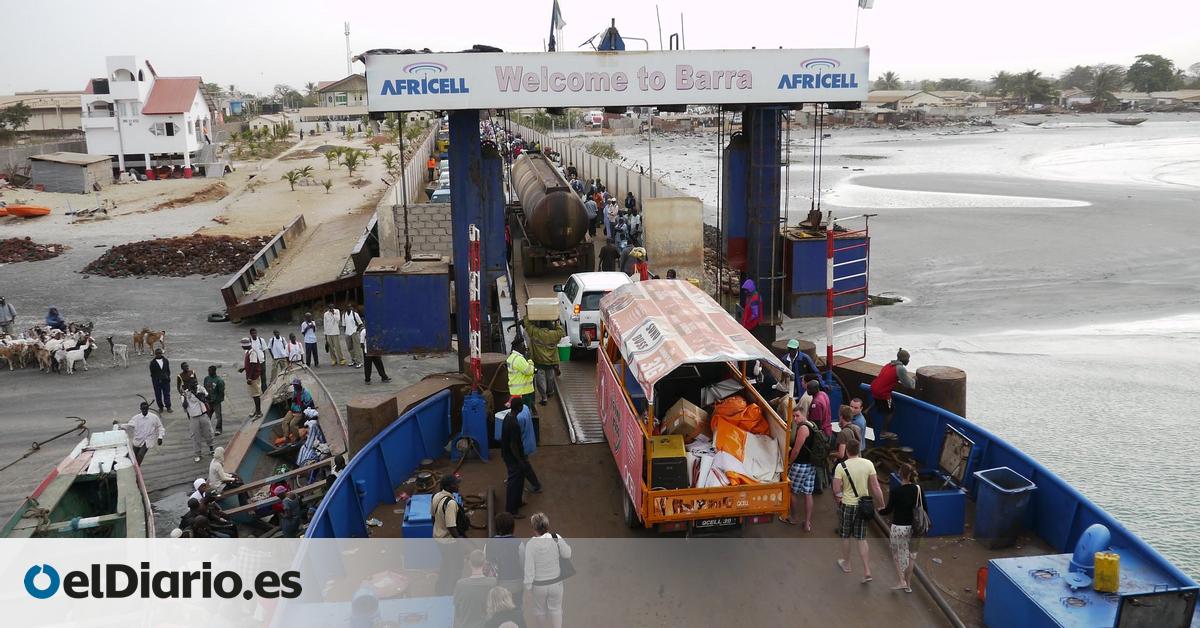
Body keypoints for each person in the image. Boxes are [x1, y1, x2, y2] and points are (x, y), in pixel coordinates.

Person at [833, 439, 885, 583]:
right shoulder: (868, 464)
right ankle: (867, 570)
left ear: (847, 451)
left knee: (845, 536)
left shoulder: (841, 467)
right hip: (863, 506)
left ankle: (847, 564)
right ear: (859, 450)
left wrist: (840, 499)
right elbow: (876, 487)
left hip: (848, 505)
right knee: (861, 538)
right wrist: (882, 504)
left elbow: (836, 489)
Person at [879, 463, 928, 592]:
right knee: (911, 557)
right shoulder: (918, 489)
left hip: (899, 528)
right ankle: (908, 585)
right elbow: (925, 509)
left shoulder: (896, 491)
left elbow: (888, 510)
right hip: (915, 529)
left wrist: (879, 510)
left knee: (897, 555)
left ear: (900, 474)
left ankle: (902, 581)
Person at [524, 513, 571, 628]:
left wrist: (528, 587)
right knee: (556, 609)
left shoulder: (530, 545)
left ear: (534, 527)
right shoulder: (556, 538)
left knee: (539, 610)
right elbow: (567, 554)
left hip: (539, 586)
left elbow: (529, 569)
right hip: (556, 583)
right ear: (547, 525)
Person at [781, 410, 817, 531]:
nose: (795, 419)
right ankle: (807, 523)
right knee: (808, 493)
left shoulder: (803, 428)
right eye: (793, 416)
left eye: (797, 416)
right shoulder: (812, 425)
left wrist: (789, 463)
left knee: (792, 492)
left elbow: (796, 450)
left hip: (800, 465)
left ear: (804, 415)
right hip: (811, 465)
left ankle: (793, 518)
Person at [870, 348, 916, 441]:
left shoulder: (889, 365)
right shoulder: (900, 368)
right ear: (903, 359)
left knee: (881, 404)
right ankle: (883, 432)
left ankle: (868, 411)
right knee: (891, 410)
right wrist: (914, 380)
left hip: (874, 388)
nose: (908, 360)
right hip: (883, 393)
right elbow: (909, 385)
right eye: (908, 358)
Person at [434, 476, 468, 596]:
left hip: (438, 538)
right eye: (455, 484)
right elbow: (451, 527)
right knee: (457, 565)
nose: (458, 485)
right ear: (449, 486)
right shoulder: (451, 504)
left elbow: (433, 516)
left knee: (446, 563)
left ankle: (440, 588)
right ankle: (452, 590)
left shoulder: (436, 496)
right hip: (449, 541)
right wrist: (461, 542)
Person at [485, 513, 524, 609]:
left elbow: (486, 564)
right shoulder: (519, 543)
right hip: (516, 585)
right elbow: (523, 564)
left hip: (497, 585)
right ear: (512, 527)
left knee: (498, 610)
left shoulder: (489, 543)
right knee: (516, 609)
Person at [453, 550, 498, 628]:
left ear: (469, 563)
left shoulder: (460, 584)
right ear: (484, 563)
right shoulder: (493, 582)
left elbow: (457, 606)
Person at [524, 319, 564, 407]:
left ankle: (544, 397)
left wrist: (527, 315)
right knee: (550, 377)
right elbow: (561, 331)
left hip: (539, 360)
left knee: (540, 379)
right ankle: (550, 392)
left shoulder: (535, 332)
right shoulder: (554, 334)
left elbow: (528, 325)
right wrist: (557, 322)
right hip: (551, 361)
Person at [500, 400, 529, 518]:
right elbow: (513, 445)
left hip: (508, 454)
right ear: (519, 408)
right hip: (512, 457)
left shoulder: (508, 417)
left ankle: (517, 502)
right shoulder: (514, 424)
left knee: (520, 479)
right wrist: (519, 460)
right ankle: (511, 510)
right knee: (514, 482)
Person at [511, 396, 542, 493]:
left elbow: (516, 435)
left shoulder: (519, 418)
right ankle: (513, 479)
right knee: (518, 464)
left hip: (523, 445)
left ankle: (536, 485)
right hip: (529, 440)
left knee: (524, 464)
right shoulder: (525, 407)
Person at [182, 382, 214, 463]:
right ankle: (197, 454)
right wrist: (185, 397)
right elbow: (185, 406)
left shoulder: (200, 388)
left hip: (203, 415)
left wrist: (199, 394)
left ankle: (211, 448)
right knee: (195, 436)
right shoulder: (185, 394)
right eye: (192, 385)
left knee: (208, 432)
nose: (195, 386)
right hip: (194, 418)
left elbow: (207, 396)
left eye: (195, 384)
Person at [237, 338, 264, 419]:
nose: (242, 347)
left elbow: (253, 366)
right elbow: (250, 364)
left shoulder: (252, 353)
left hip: (253, 377)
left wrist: (250, 378)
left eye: (242, 346)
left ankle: (259, 412)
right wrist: (244, 368)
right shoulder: (248, 352)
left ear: (245, 345)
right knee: (253, 394)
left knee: (256, 395)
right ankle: (256, 410)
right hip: (252, 376)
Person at [282, 378, 315, 443]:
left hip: (299, 412)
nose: (295, 386)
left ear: (299, 385)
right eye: (294, 385)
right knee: (285, 422)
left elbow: (309, 403)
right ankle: (286, 437)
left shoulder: (306, 393)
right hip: (292, 410)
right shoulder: (295, 392)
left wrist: (303, 408)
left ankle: (297, 437)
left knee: (292, 424)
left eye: (296, 385)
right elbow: (293, 401)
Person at [505, 342, 536, 410]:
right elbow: (529, 371)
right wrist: (530, 360)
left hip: (516, 391)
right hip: (523, 391)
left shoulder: (511, 357)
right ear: (518, 347)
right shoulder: (519, 359)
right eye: (523, 346)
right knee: (525, 410)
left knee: (517, 410)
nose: (525, 349)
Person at [203, 366, 226, 435]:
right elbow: (204, 388)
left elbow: (221, 392)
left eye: (210, 371)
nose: (208, 372)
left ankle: (218, 429)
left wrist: (217, 400)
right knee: (207, 416)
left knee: (218, 416)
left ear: (214, 371)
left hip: (216, 402)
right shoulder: (206, 379)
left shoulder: (219, 381)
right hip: (208, 401)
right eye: (208, 371)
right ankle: (207, 429)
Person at [149, 348, 173, 414]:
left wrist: (167, 377)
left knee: (167, 394)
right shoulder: (152, 363)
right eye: (157, 353)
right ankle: (160, 407)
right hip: (157, 382)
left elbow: (168, 370)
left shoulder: (166, 361)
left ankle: (168, 407)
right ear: (155, 354)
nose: (159, 354)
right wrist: (156, 380)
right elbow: (152, 373)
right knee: (158, 395)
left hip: (165, 381)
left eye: (160, 353)